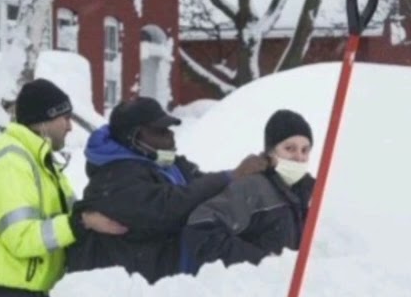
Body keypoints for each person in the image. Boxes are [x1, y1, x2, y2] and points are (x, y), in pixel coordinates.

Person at [0, 78, 127, 297]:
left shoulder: (38, 160)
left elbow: (67, 212)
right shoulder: (10, 163)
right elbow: (22, 238)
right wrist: (82, 222)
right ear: (45, 121)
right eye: (65, 118)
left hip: (30, 292)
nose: (70, 127)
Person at [65, 96, 271, 283]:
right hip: (132, 294)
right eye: (159, 131)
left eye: (170, 130)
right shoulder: (114, 176)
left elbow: (200, 185)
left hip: (170, 273)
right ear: (133, 137)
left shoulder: (164, 163)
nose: (170, 136)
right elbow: (168, 206)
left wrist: (247, 176)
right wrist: (230, 176)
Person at [181, 109, 316, 273]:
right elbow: (201, 229)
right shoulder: (253, 187)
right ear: (271, 152)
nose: (299, 157)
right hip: (257, 293)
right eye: (289, 148)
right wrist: (260, 263)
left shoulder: (312, 194)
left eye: (305, 150)